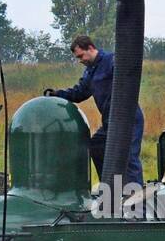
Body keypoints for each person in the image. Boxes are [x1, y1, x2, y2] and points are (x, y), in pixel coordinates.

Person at [44, 36, 145, 188]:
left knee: (129, 157)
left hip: (128, 118)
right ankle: (110, 186)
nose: (80, 60)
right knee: (97, 146)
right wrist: (57, 94)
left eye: (81, 56)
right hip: (110, 121)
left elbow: (128, 76)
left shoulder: (112, 61)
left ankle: (136, 197)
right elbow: (79, 93)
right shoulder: (89, 73)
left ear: (90, 48)